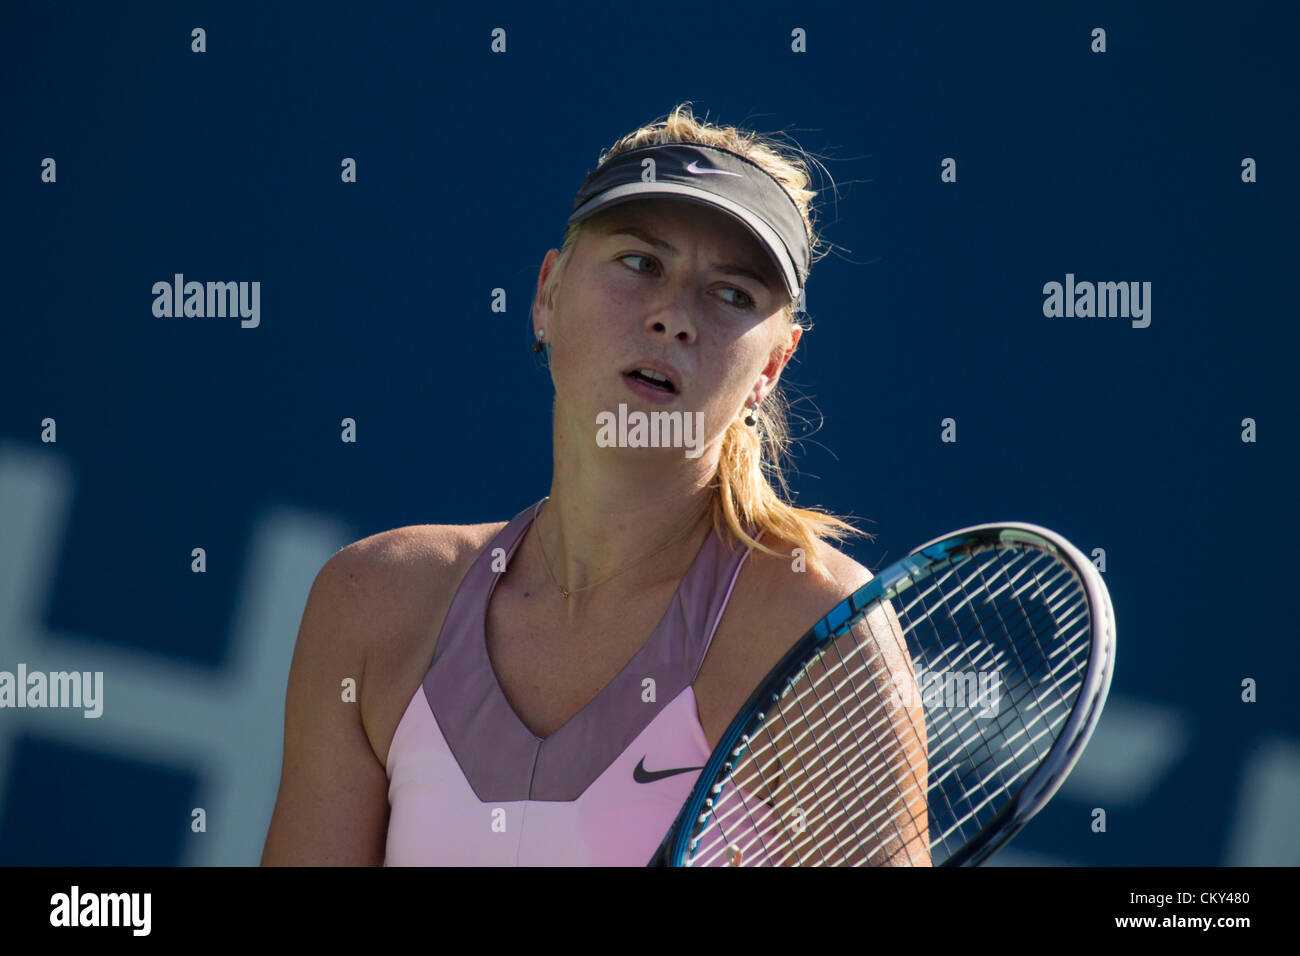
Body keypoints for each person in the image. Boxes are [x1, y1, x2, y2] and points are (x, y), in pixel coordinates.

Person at [260, 103, 928, 866]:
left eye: (732, 295)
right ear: (547, 293)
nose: (675, 315)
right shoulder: (373, 603)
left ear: (770, 369)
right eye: (641, 264)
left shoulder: (815, 631)